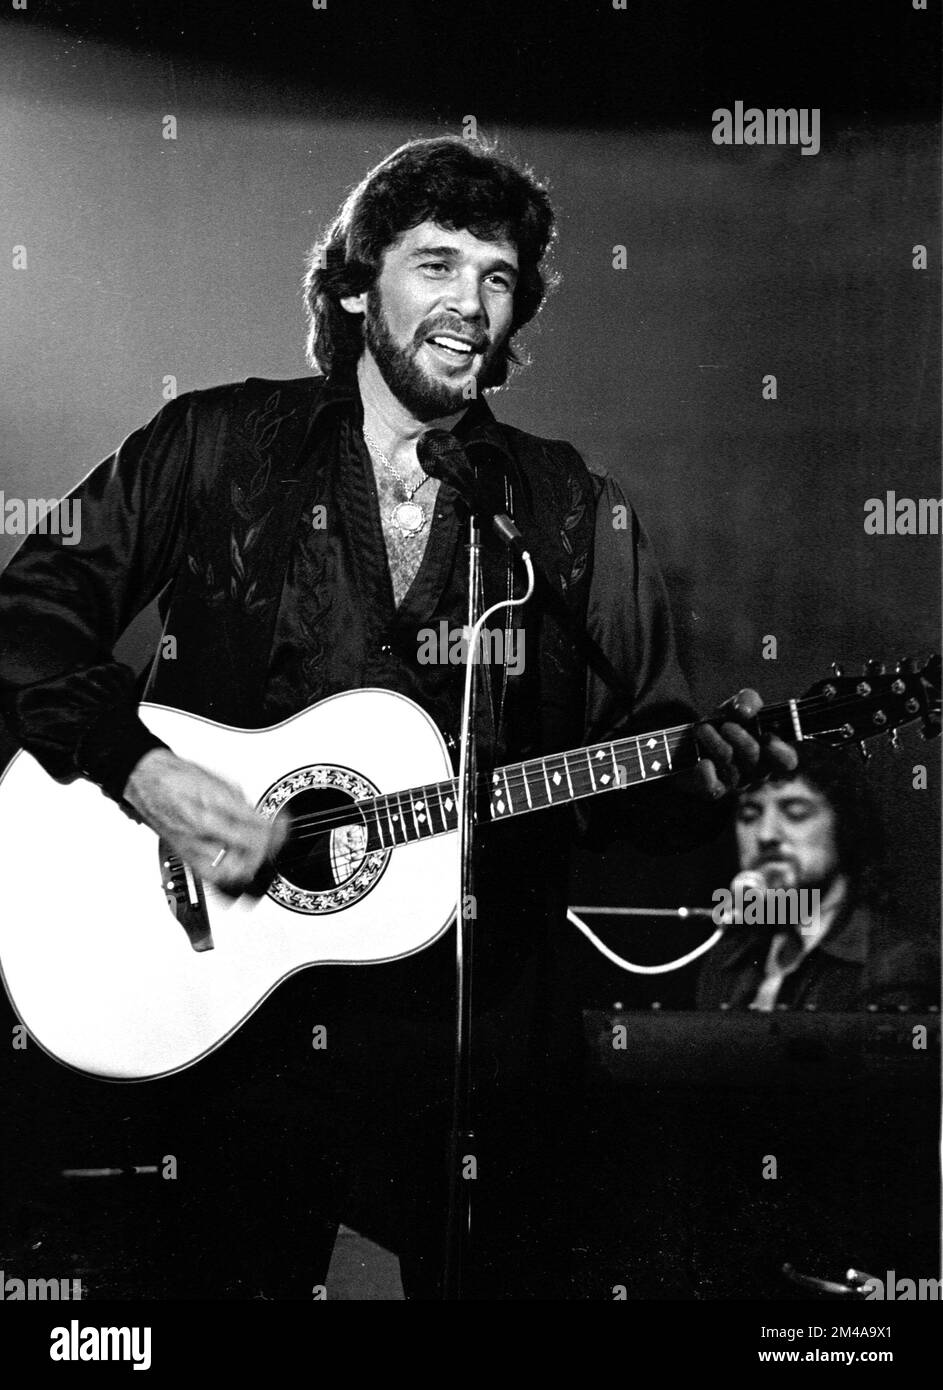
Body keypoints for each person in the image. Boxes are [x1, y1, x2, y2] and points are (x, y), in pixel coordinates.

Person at [0, 135, 796, 1298]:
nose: (468, 305)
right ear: (357, 282)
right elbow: (26, 612)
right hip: (231, 1032)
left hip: (481, 1054)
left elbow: (648, 772)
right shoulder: (215, 446)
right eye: (436, 265)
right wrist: (137, 767)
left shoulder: (571, 509)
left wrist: (697, 778)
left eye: (498, 278)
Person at [696, 743, 936, 1011]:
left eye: (795, 812)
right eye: (749, 815)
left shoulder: (899, 961)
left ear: (844, 826)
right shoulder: (726, 956)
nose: (766, 834)